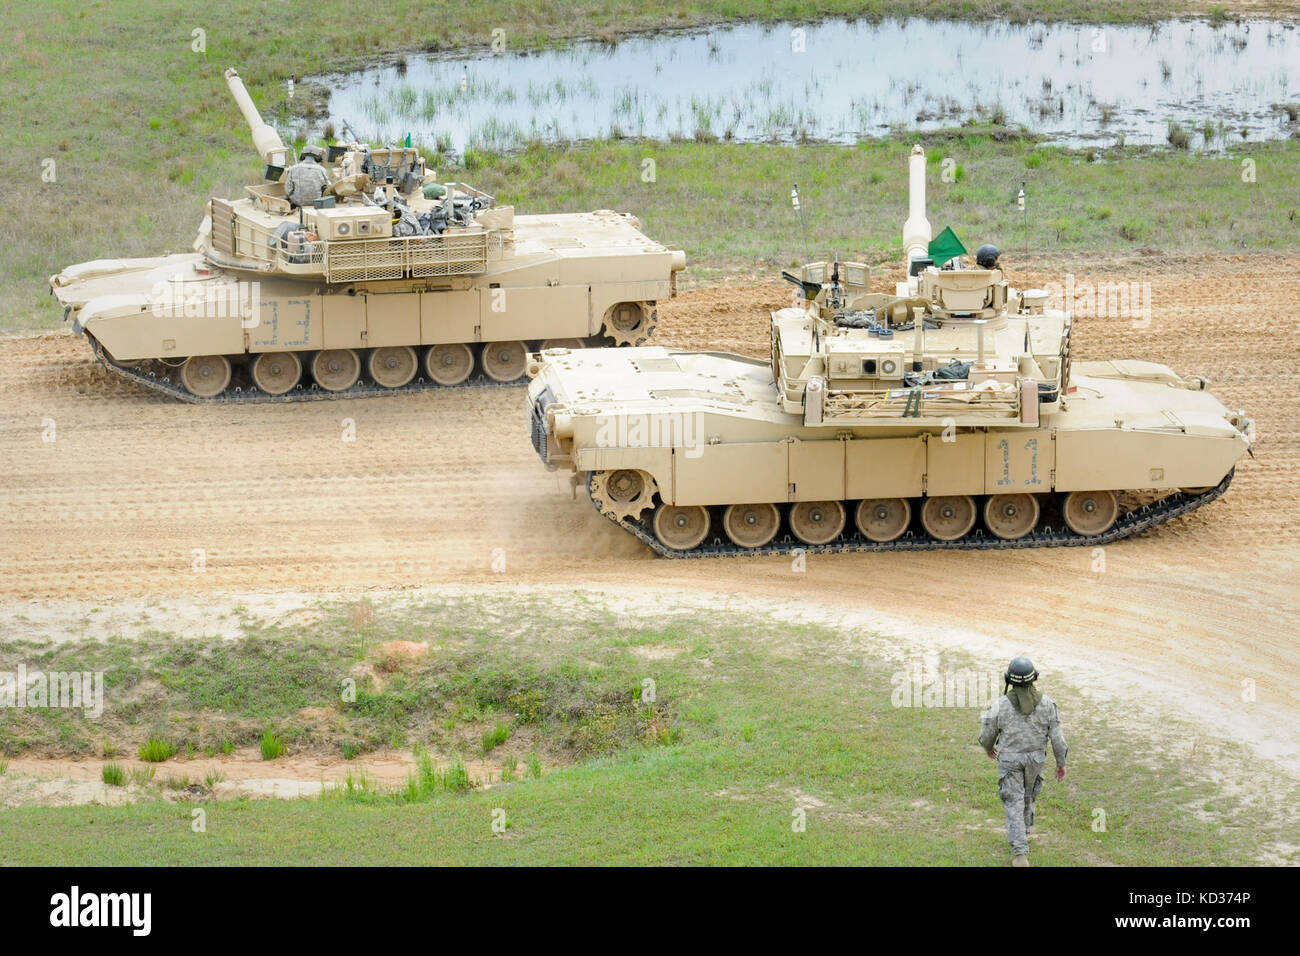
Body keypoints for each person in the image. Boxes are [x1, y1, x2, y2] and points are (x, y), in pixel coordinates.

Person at [977, 656, 1068, 867]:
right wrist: (1061, 764)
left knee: (1013, 802)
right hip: (1035, 759)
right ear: (1033, 678)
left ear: (1009, 679)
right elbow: (1058, 740)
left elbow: (986, 735)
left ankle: (1019, 852)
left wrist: (989, 748)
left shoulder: (1000, 705)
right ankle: (1024, 832)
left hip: (1009, 760)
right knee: (1028, 796)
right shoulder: (1047, 704)